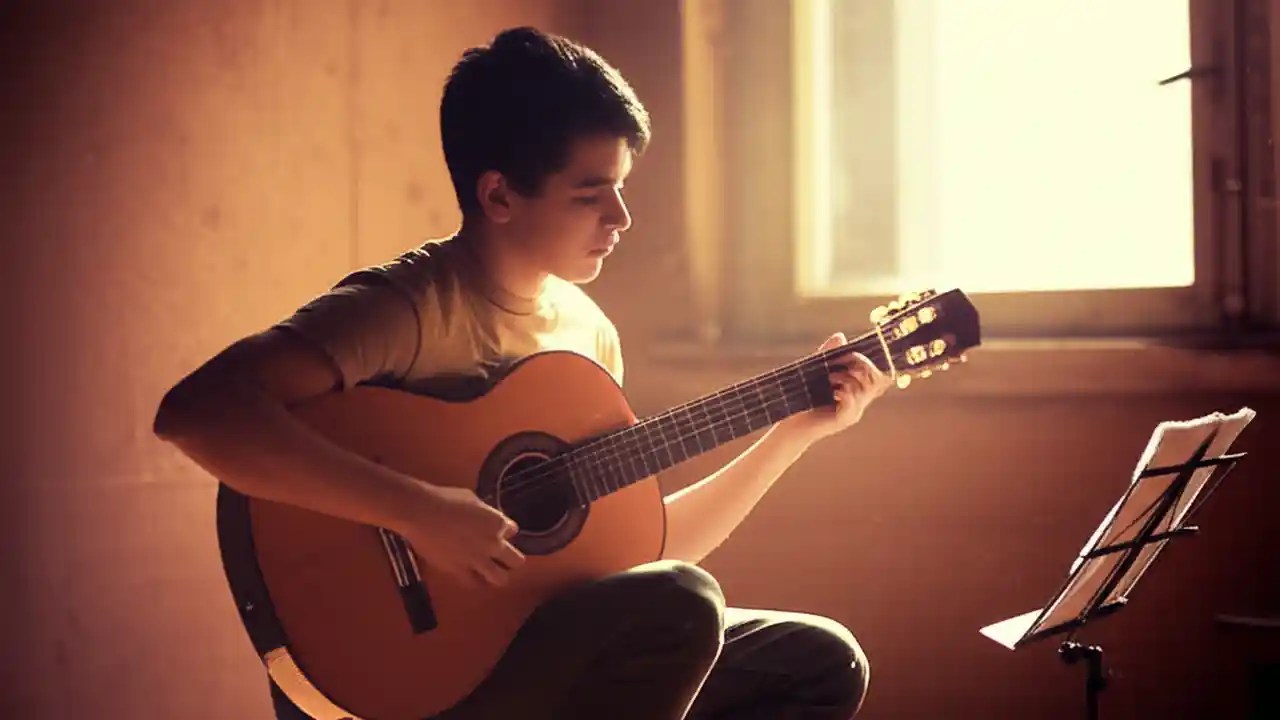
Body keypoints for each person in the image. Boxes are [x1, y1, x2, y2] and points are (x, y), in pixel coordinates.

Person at [154, 25, 890, 720]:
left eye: (622, 186)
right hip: (410, 676)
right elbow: (200, 413)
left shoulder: (586, 336)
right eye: (590, 193)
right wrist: (417, 512)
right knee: (682, 604)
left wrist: (791, 434)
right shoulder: (405, 309)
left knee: (822, 661)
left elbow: (644, 555)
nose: (622, 218)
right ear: (500, 195)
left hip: (532, 654)